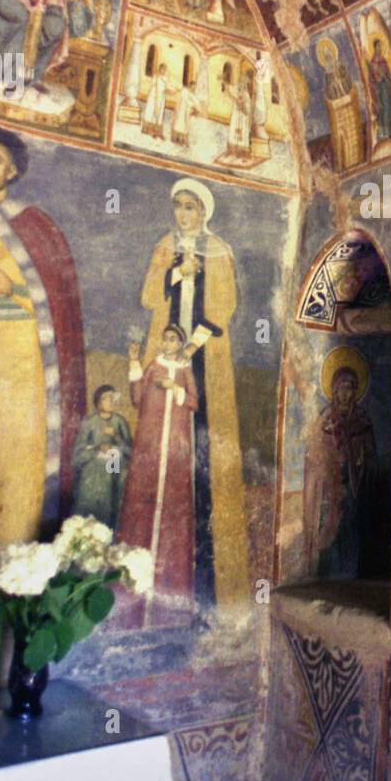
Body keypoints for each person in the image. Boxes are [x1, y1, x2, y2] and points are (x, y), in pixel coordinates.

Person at [0, 124, 85, 567]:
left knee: (15, 479)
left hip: (19, 385)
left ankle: (12, 575)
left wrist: (10, 285)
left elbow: (57, 307)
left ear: (12, 169)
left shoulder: (35, 226)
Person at [139, 178, 249, 616]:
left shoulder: (219, 251)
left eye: (191, 207)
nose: (184, 214)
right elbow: (149, 296)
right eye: (178, 207)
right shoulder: (165, 246)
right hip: (164, 354)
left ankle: (203, 571)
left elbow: (225, 308)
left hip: (204, 357)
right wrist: (173, 274)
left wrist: (192, 348)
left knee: (202, 451)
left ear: (203, 213)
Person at [117, 329, 197, 628]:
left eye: (174, 339)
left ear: (180, 342)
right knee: (141, 506)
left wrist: (174, 389)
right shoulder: (154, 365)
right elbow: (137, 397)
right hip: (149, 445)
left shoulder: (185, 369)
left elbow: (193, 401)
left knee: (172, 515)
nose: (168, 343)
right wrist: (135, 362)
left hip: (175, 448)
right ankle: (130, 604)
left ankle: (168, 608)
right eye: (165, 338)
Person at [302, 356, 376, 579]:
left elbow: (371, 455)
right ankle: (327, 577)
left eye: (350, 388)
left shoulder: (362, 420)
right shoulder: (324, 420)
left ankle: (350, 576)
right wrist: (328, 461)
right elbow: (313, 455)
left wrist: (361, 459)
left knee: (352, 530)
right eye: (342, 388)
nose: (346, 393)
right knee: (328, 530)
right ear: (333, 389)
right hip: (329, 489)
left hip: (354, 487)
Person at [71, 384, 132, 529]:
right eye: (106, 398)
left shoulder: (120, 422)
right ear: (98, 402)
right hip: (93, 466)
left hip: (114, 463)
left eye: (112, 398)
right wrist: (98, 448)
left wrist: (115, 437)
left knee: (112, 487)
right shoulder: (89, 422)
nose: (110, 401)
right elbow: (77, 455)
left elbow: (130, 451)